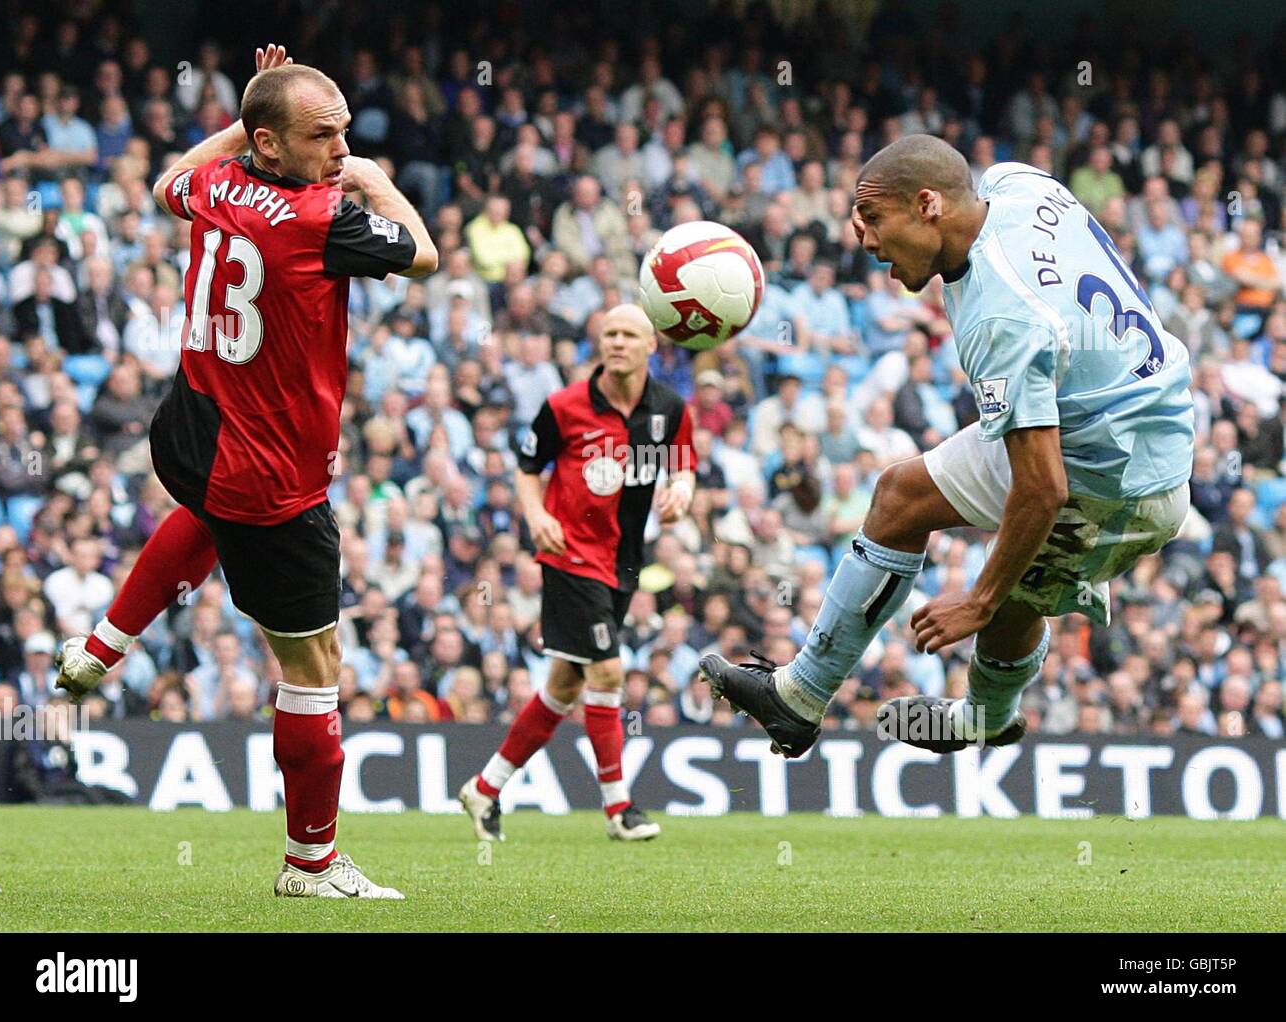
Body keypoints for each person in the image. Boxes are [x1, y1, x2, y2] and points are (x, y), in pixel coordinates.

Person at [53, 44, 438, 898]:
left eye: (343, 136)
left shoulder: (220, 185)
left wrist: (244, 119)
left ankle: (102, 644)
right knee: (314, 667)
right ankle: (311, 864)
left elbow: (166, 186)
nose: (339, 150)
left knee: (208, 513)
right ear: (271, 145)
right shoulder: (323, 219)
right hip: (268, 474)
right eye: (320, 137)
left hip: (188, 430)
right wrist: (374, 184)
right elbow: (424, 256)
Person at [700, 135, 1194, 757]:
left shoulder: (1000, 319)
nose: (865, 240)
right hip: (1114, 413)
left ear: (929, 204)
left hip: (1121, 478)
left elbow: (1042, 489)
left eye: (875, 218)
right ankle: (797, 698)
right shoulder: (1020, 183)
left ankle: (984, 717)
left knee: (1013, 589)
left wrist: (977, 599)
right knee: (901, 496)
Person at [459, 304, 696, 841]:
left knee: (564, 687)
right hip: (570, 555)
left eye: (629, 334)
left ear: (650, 347)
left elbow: (684, 462)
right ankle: (619, 809)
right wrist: (538, 514)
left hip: (624, 560)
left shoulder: (670, 408)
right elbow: (526, 468)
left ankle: (485, 787)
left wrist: (682, 489)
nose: (617, 342)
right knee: (608, 671)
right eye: (609, 332)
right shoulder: (564, 406)